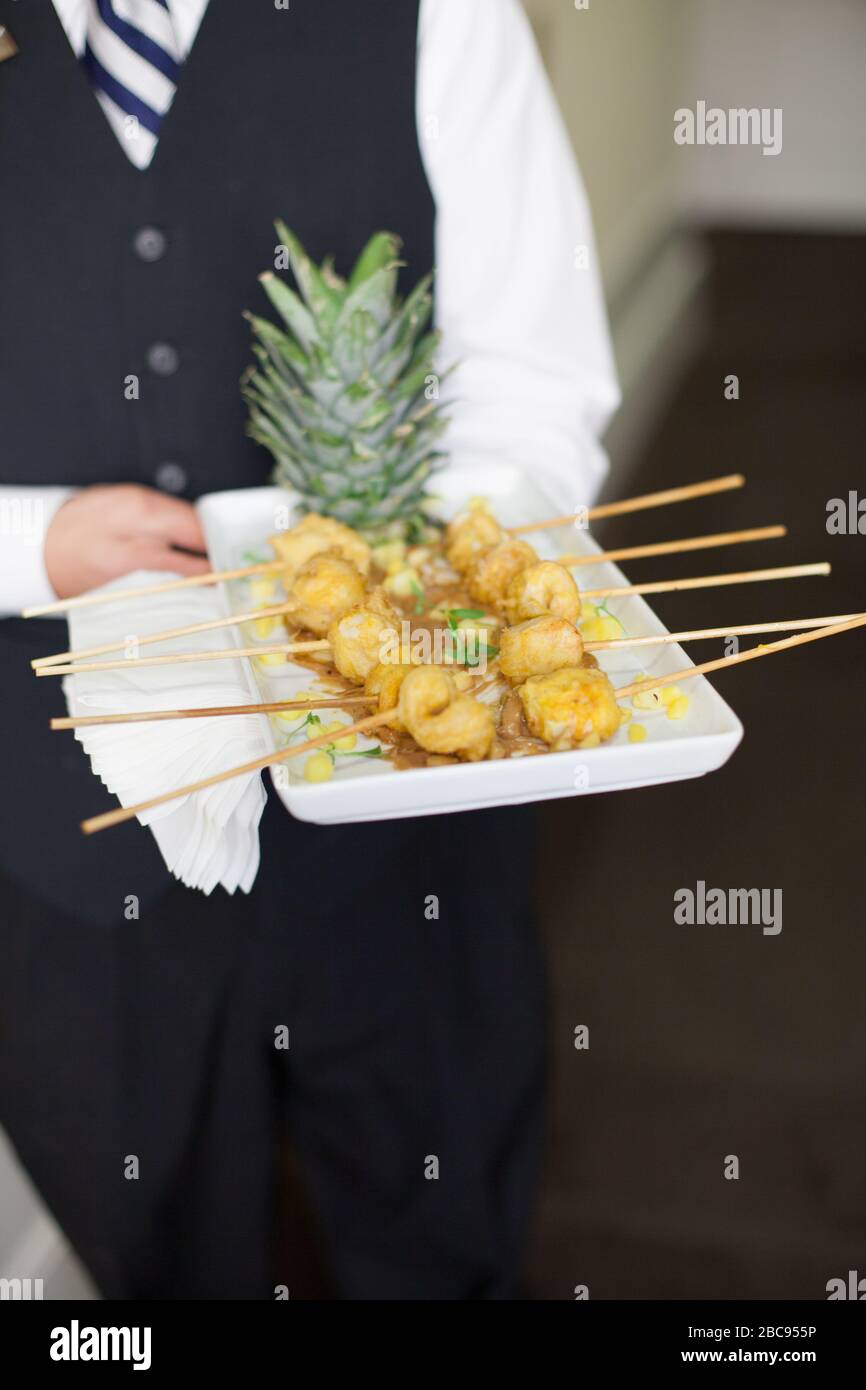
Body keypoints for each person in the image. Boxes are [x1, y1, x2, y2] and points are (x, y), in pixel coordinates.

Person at [0, 0, 618, 1299]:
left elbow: (530, 375)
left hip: (414, 828)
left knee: (436, 1226)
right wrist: (30, 542)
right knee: (141, 1264)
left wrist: (412, 597)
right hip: (59, 829)